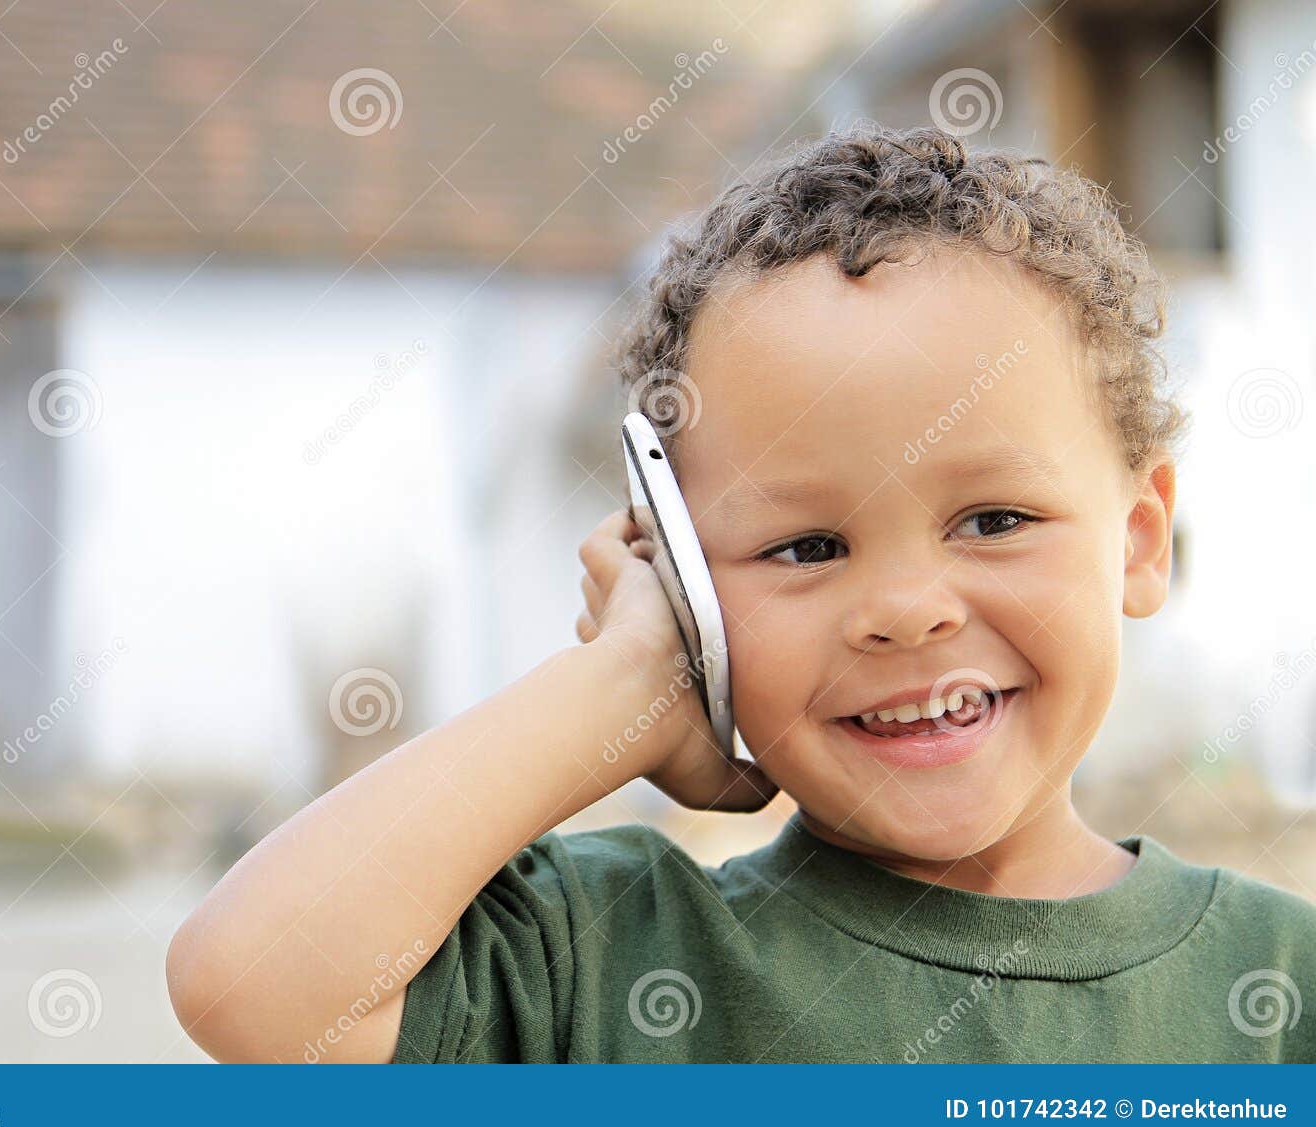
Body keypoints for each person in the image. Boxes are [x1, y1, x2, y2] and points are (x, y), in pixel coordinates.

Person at [166, 122, 1316, 1063]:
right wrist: (620, 684)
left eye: (994, 520)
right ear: (685, 591)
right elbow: (251, 983)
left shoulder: (1279, 985)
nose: (907, 607)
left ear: (1137, 540)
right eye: (807, 546)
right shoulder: (614, 955)